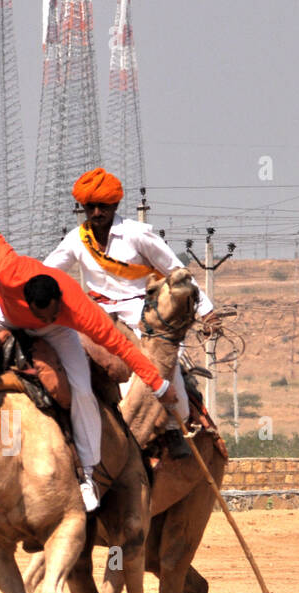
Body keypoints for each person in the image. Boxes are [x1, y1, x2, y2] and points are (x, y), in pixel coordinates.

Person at [0, 167, 176, 512]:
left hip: (60, 333)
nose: (42, 317)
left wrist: (160, 386)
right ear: (27, 298)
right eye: (40, 313)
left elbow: (122, 348)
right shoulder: (8, 269)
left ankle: (88, 475)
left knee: (81, 390)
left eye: (50, 311)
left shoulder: (75, 309)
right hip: (2, 313)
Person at [44, 167, 215, 459]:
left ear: (115, 205)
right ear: (83, 207)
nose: (97, 212)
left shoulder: (138, 234)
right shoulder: (76, 239)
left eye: (103, 206)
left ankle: (177, 428)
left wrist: (205, 310)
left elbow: (176, 271)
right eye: (90, 207)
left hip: (141, 311)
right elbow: (46, 272)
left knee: (164, 363)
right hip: (96, 312)